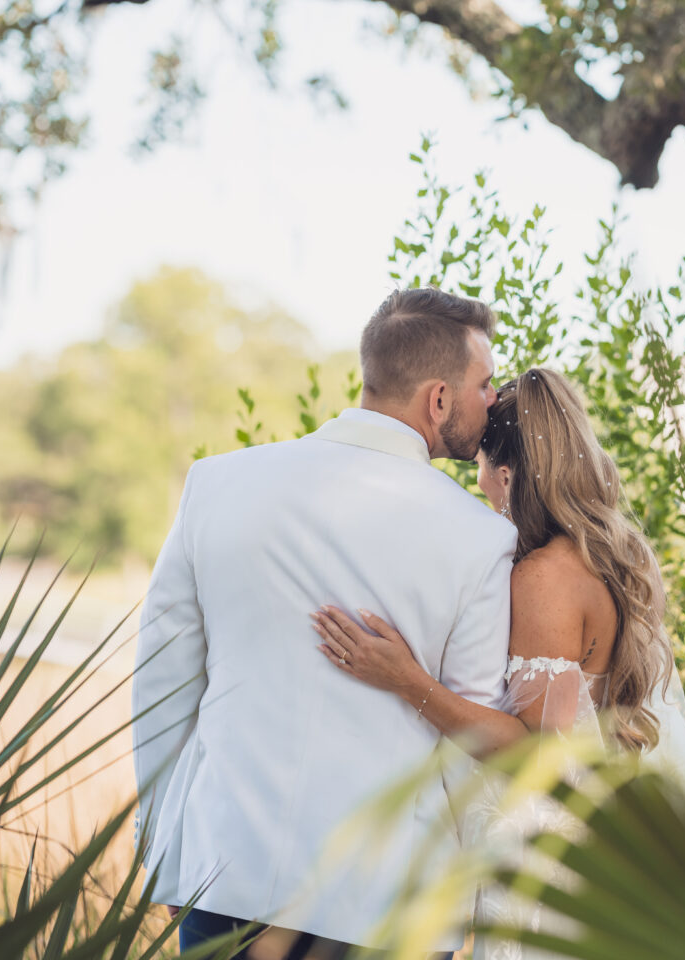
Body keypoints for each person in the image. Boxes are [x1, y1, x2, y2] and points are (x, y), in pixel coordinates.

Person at [132, 287, 516, 959]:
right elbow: (469, 747)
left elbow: (162, 689)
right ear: (438, 399)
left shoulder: (216, 485)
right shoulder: (479, 540)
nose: (494, 400)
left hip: (225, 878)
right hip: (391, 909)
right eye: (484, 385)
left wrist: (167, 853)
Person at [312, 367, 685, 958]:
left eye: (481, 470)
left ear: (506, 474)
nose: (479, 486)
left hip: (557, 874)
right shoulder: (601, 558)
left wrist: (405, 680)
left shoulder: (544, 581)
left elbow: (539, 752)